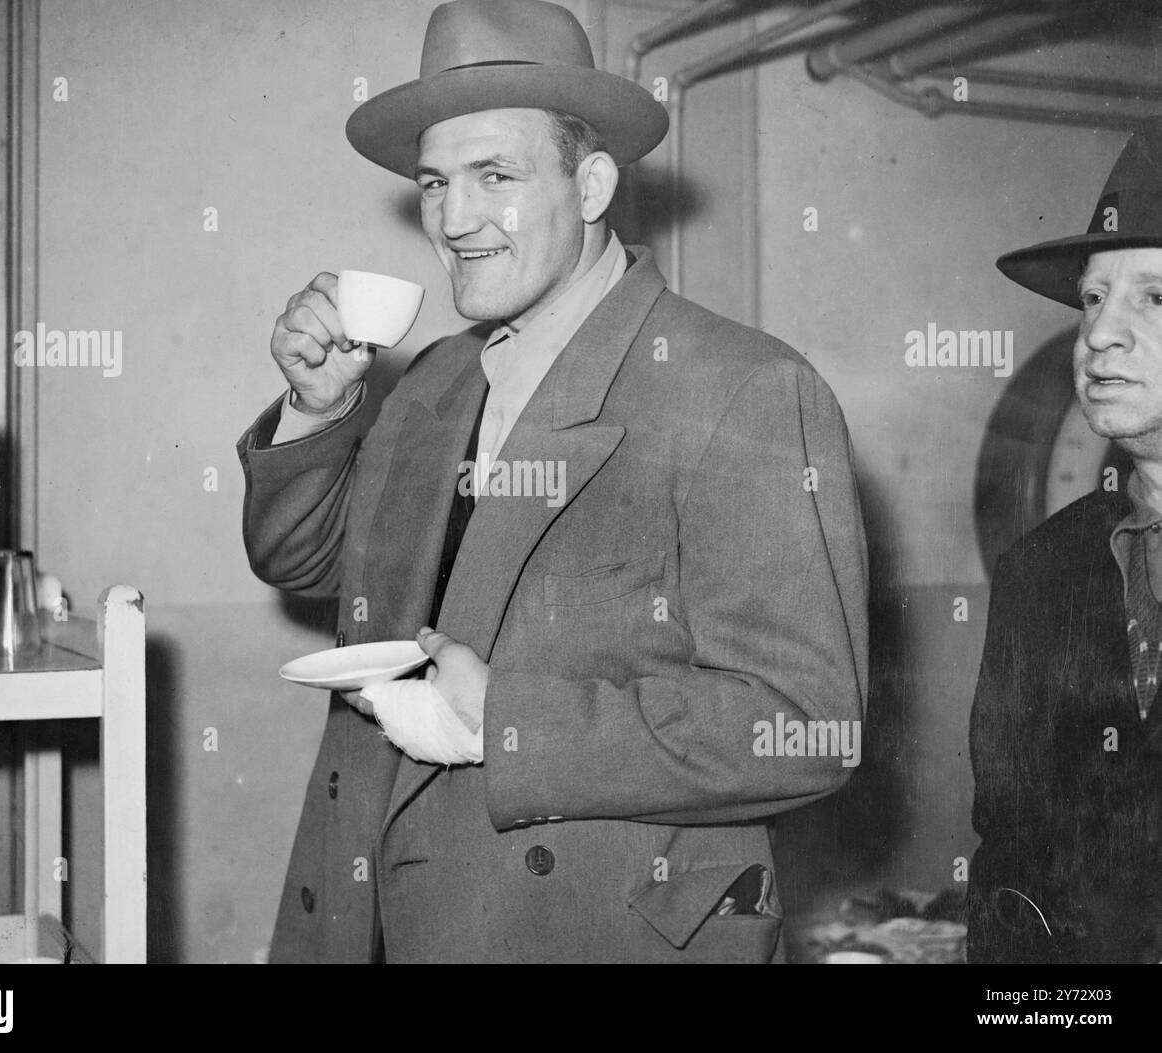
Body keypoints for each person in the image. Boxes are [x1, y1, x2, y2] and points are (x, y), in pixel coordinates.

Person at [238, 0, 868, 963]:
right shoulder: (435, 381)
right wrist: (317, 411)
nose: (451, 220)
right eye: (435, 181)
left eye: (495, 175)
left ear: (593, 182)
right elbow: (302, 559)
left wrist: (509, 722)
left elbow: (808, 726)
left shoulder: (740, 389)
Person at [969, 117, 1162, 963]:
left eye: (1155, 296)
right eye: (1093, 297)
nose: (1099, 334)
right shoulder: (1037, 572)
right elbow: (1007, 871)